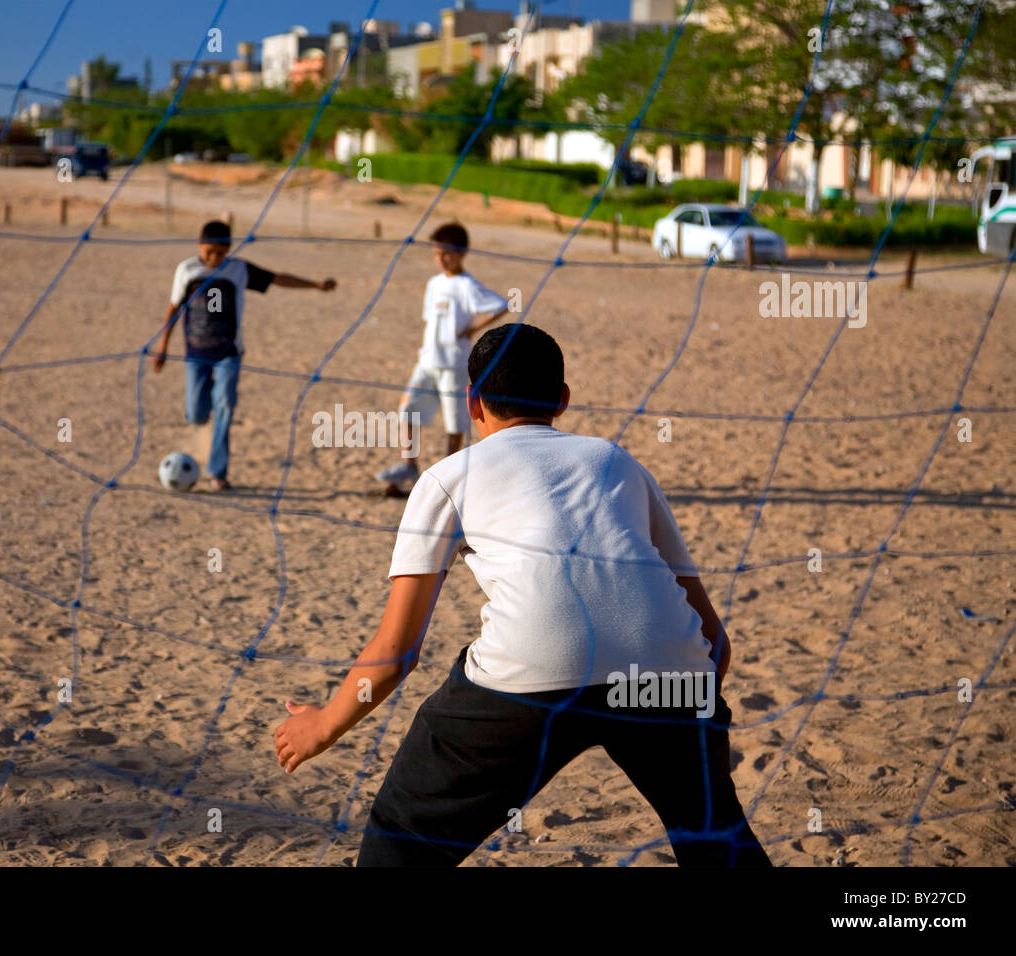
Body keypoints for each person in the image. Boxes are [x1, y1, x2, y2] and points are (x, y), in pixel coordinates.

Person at [274, 323, 771, 867]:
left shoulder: (447, 476)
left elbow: (398, 653)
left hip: (527, 678)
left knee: (401, 838)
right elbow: (714, 642)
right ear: (561, 402)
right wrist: (688, 727)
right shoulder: (616, 462)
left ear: (472, 402)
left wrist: (322, 725)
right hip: (667, 676)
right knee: (719, 845)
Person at [153, 220, 336, 490]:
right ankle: (203, 416)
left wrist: (316, 285)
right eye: (210, 252)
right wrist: (162, 347)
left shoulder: (238, 270)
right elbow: (173, 309)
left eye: (222, 252)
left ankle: (218, 472)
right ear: (199, 246)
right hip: (196, 353)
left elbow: (277, 278)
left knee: (225, 405)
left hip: (230, 352)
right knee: (197, 415)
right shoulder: (187, 270)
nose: (215, 258)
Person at [374, 222, 509, 495]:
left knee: (454, 422)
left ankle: (449, 477)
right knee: (408, 410)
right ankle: (409, 465)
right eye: (436, 253)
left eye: (445, 253)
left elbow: (500, 304)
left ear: (460, 253)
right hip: (427, 361)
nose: (440, 259)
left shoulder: (467, 285)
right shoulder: (433, 283)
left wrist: (474, 327)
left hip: (453, 364)